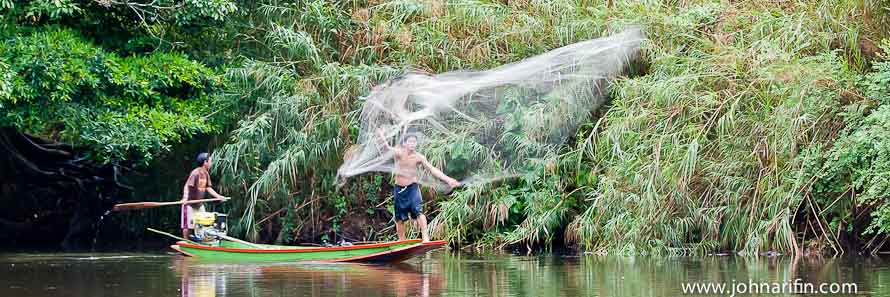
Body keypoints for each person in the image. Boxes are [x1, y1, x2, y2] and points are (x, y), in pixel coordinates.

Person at [378, 130, 461, 242]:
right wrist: (382, 137)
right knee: (399, 218)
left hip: (413, 188)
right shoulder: (399, 153)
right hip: (399, 189)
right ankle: (401, 240)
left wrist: (448, 179)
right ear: (405, 144)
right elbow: (386, 149)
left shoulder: (419, 157)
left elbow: (432, 169)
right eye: (410, 141)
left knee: (418, 212)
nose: (412, 144)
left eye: (414, 142)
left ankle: (425, 237)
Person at [182, 152, 229, 239]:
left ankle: (201, 242)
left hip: (199, 204)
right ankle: (186, 243)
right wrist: (185, 198)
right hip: (189, 204)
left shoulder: (206, 174)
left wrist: (218, 196)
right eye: (210, 161)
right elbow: (187, 185)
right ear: (205, 162)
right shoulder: (195, 173)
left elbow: (208, 188)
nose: (211, 163)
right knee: (188, 226)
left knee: (204, 222)